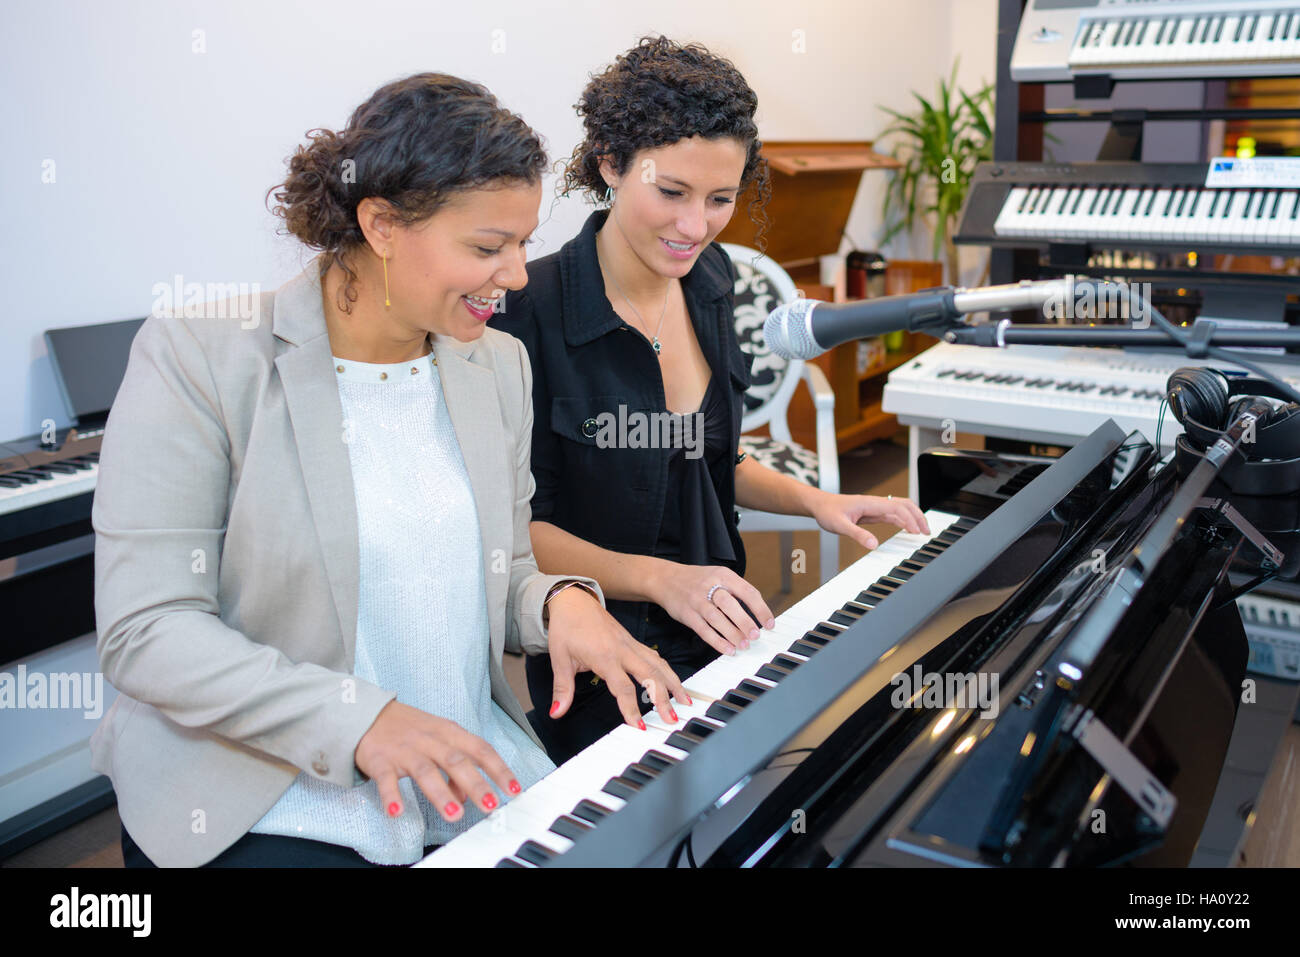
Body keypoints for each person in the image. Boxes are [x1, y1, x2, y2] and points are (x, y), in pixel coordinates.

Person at [91, 72, 687, 868]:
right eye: (486, 247)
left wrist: (557, 604)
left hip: (458, 766)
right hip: (265, 790)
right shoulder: (200, 358)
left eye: (523, 244)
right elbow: (147, 630)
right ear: (380, 225)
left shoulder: (497, 365)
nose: (515, 276)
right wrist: (360, 718)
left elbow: (502, 568)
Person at [491, 37, 930, 764]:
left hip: (722, 621)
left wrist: (816, 500)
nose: (695, 227)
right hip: (606, 649)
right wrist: (664, 580)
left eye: (720, 199)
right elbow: (513, 534)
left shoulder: (710, 279)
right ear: (609, 164)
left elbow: (705, 458)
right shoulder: (527, 310)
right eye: (671, 193)